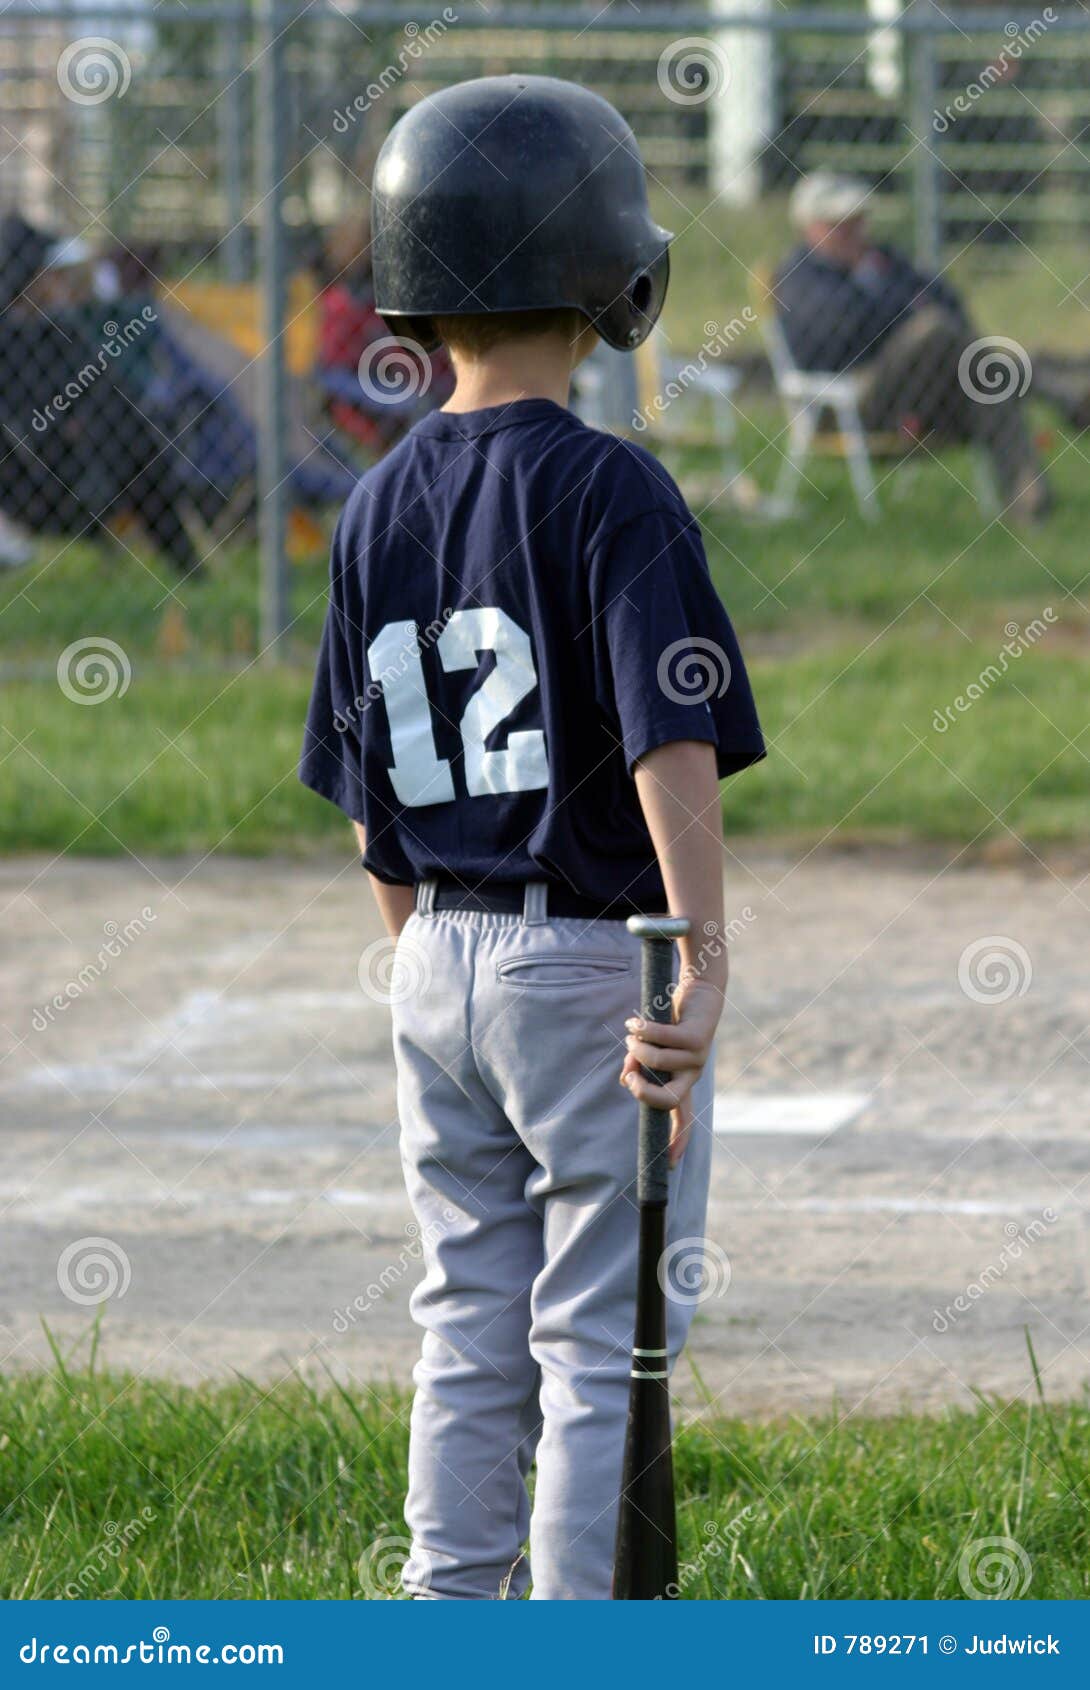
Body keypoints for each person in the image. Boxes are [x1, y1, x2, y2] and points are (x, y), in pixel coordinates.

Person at [299, 75, 765, 1600]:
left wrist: (432, 964)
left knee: (465, 1315)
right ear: (603, 280)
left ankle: (448, 1611)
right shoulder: (611, 486)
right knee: (592, 1337)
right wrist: (695, 964)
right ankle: (578, 1635)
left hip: (426, 952)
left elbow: (369, 797)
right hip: (583, 968)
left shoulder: (369, 510)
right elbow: (665, 733)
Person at [773, 172, 1050, 522]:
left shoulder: (884, 263)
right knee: (935, 333)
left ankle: (1031, 509)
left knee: (987, 384)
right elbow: (842, 335)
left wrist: (887, 300)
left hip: (916, 395)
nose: (855, 231)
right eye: (840, 223)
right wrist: (899, 305)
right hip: (845, 403)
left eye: (858, 220)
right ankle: (1056, 390)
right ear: (810, 226)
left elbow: (950, 302)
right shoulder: (799, 277)